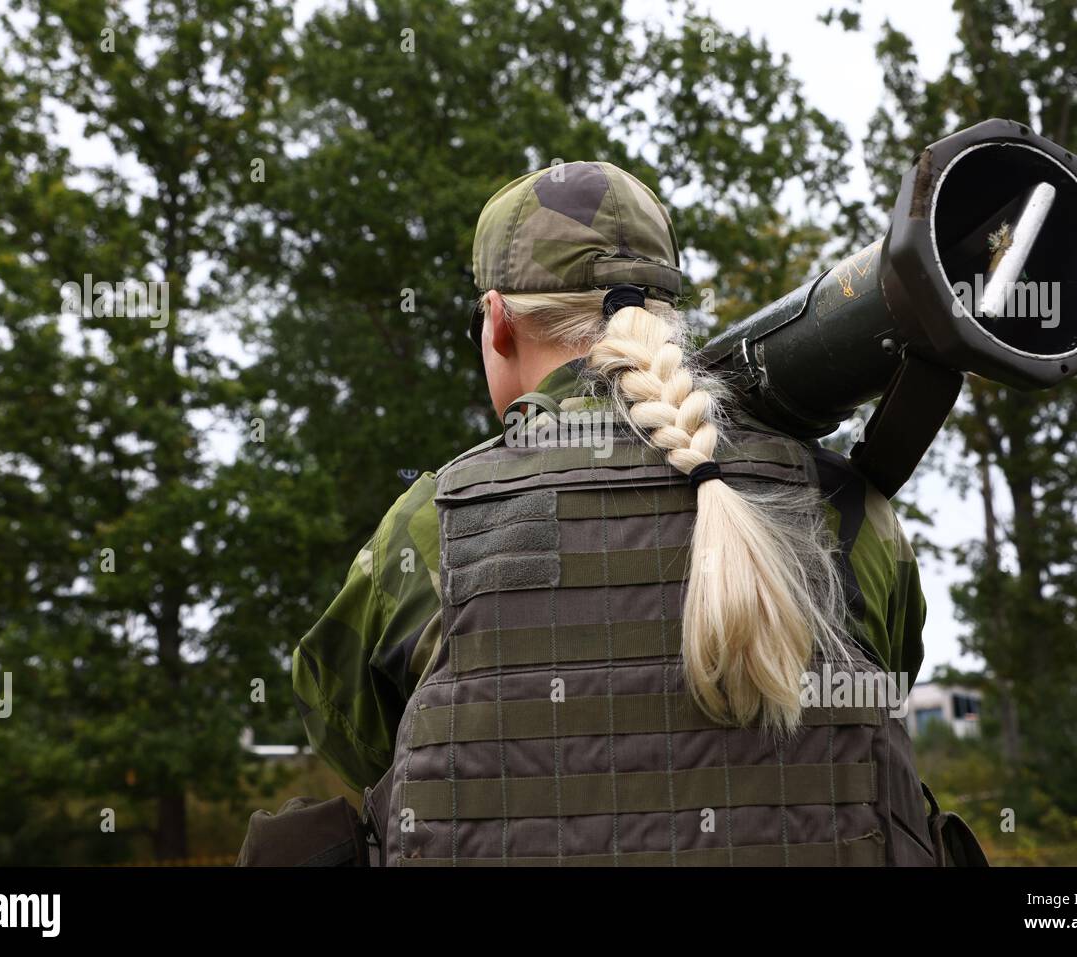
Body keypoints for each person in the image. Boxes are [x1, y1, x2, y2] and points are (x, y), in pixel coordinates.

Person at [286, 160, 972, 867]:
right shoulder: (847, 511)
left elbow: (352, 730)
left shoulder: (431, 522)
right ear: (667, 317)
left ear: (497, 323)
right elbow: (882, 688)